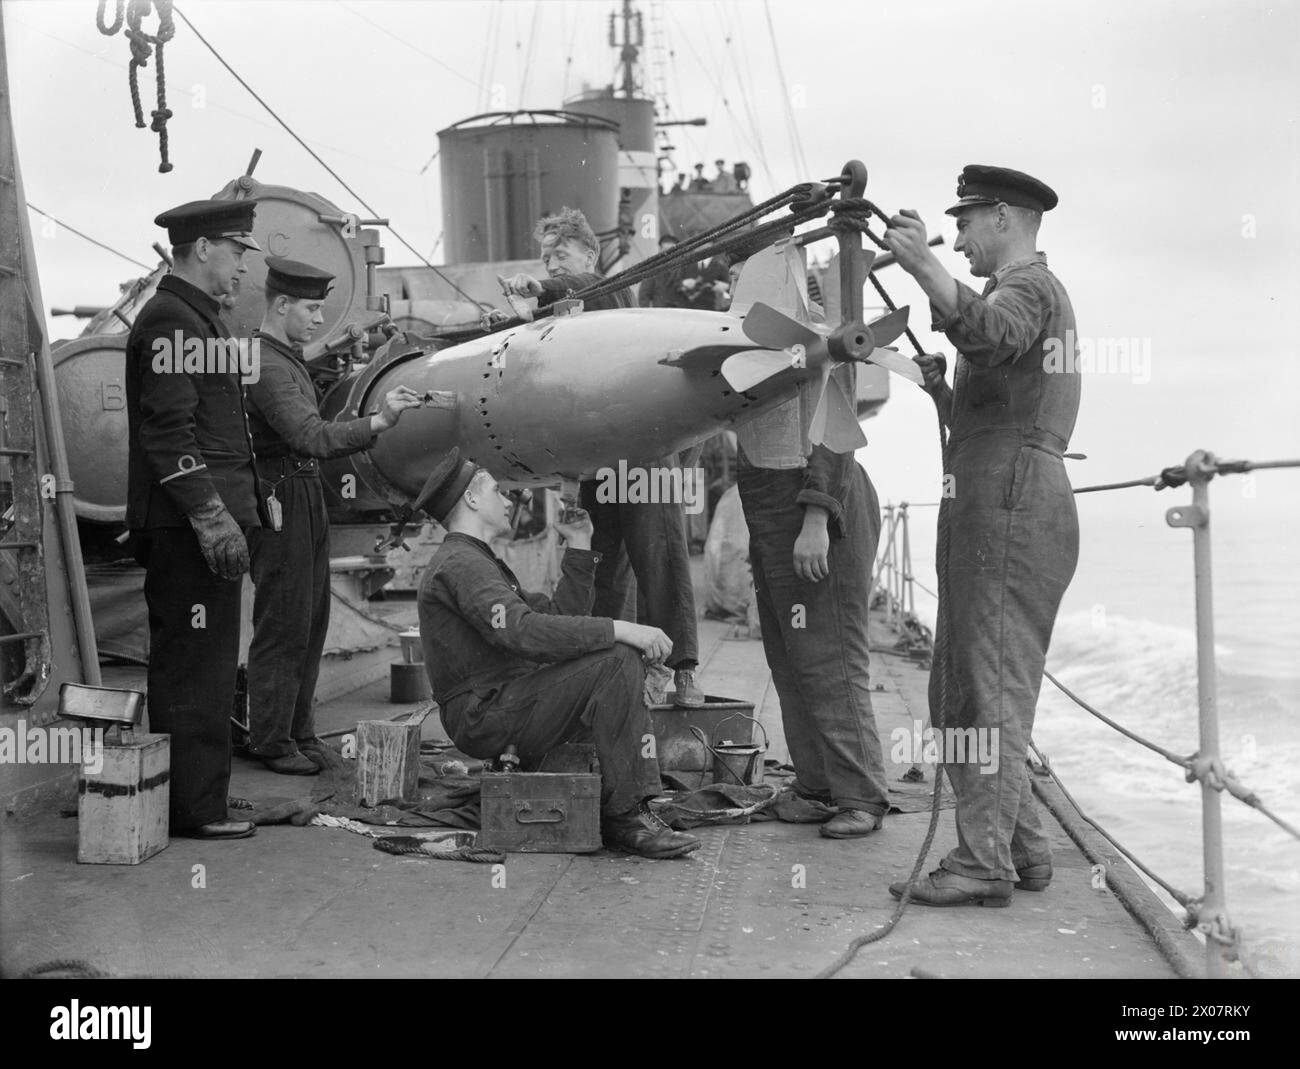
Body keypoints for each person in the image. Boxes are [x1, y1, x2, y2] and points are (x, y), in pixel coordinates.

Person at [883, 164, 1080, 906]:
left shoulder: (1027, 286)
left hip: (1011, 501)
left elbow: (994, 334)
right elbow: (997, 364)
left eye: (964, 224)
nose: (957, 239)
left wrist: (921, 265)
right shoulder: (1021, 291)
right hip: (996, 497)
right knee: (962, 688)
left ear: (1003, 216)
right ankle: (1023, 848)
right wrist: (943, 385)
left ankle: (981, 862)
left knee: (987, 688)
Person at [416, 449, 701, 859]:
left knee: (612, 660)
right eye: (498, 491)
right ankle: (626, 817)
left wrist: (581, 545)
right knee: (616, 658)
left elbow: (552, 617)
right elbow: (523, 631)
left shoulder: (476, 561)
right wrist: (622, 628)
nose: (510, 500)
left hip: (503, 703)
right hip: (485, 715)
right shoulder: (460, 563)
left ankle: (620, 799)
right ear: (472, 501)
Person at [501, 208, 705, 707]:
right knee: (602, 567)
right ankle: (617, 667)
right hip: (597, 465)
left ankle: (682, 672)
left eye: (560, 253)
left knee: (660, 561)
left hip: (645, 459)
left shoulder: (608, 289)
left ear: (588, 254)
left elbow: (581, 284)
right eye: (545, 256)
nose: (551, 262)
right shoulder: (562, 310)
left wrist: (540, 286)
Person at [242, 257, 425, 774]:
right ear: (280, 305)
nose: (320, 320)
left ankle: (298, 731)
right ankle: (272, 740)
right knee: (284, 622)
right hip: (280, 498)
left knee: (312, 619)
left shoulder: (284, 356)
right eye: (311, 308)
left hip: (301, 495)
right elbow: (310, 436)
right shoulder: (268, 363)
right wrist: (380, 420)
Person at [124, 198, 264, 840]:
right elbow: (167, 431)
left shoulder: (196, 319)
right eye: (237, 250)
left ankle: (199, 798)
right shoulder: (175, 322)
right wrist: (210, 515)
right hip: (187, 529)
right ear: (203, 247)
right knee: (194, 666)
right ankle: (191, 810)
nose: (242, 266)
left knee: (205, 665)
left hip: (193, 526)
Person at [736, 375, 891, 839]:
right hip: (774, 521)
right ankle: (818, 786)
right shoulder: (746, 361)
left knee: (831, 660)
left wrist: (817, 516)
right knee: (790, 663)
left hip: (817, 517)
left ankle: (861, 795)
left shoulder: (803, 355)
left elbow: (835, 431)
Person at [637, 233, 697, 309]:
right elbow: (644, 295)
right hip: (660, 313)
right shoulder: (653, 269)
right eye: (665, 251)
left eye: (672, 251)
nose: (668, 254)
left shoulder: (685, 266)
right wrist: (645, 315)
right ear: (660, 250)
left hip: (681, 313)